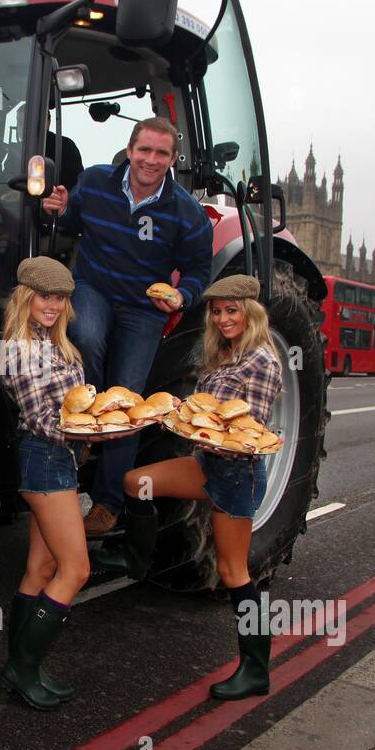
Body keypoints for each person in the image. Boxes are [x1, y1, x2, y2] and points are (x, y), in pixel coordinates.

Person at [92, 275, 283, 700]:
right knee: (135, 482)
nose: (223, 318)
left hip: (237, 474)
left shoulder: (263, 362)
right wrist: (175, 413)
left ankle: (256, 668)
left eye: (231, 311)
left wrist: (202, 425)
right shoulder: (220, 353)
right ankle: (136, 558)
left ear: (249, 312)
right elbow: (201, 409)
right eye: (217, 312)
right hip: (206, 463)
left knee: (234, 573)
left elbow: (250, 428)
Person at [41, 117, 213, 537]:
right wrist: (59, 209)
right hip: (94, 287)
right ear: (130, 150)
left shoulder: (185, 212)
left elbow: (198, 268)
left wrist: (181, 297)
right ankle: (83, 437)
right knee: (86, 335)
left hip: (143, 306)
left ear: (172, 159)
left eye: (161, 153)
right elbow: (69, 223)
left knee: (129, 401)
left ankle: (107, 504)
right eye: (144, 150)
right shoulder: (97, 182)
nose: (150, 160)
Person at [0, 256, 93, 711]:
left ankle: (20, 665)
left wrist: (97, 424)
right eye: (44, 296)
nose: (52, 305)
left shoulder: (53, 343)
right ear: (25, 297)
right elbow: (40, 417)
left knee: (41, 569)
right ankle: (24, 668)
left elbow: (72, 407)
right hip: (46, 460)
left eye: (60, 298)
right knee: (76, 570)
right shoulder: (20, 347)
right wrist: (97, 431)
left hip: (60, 460)